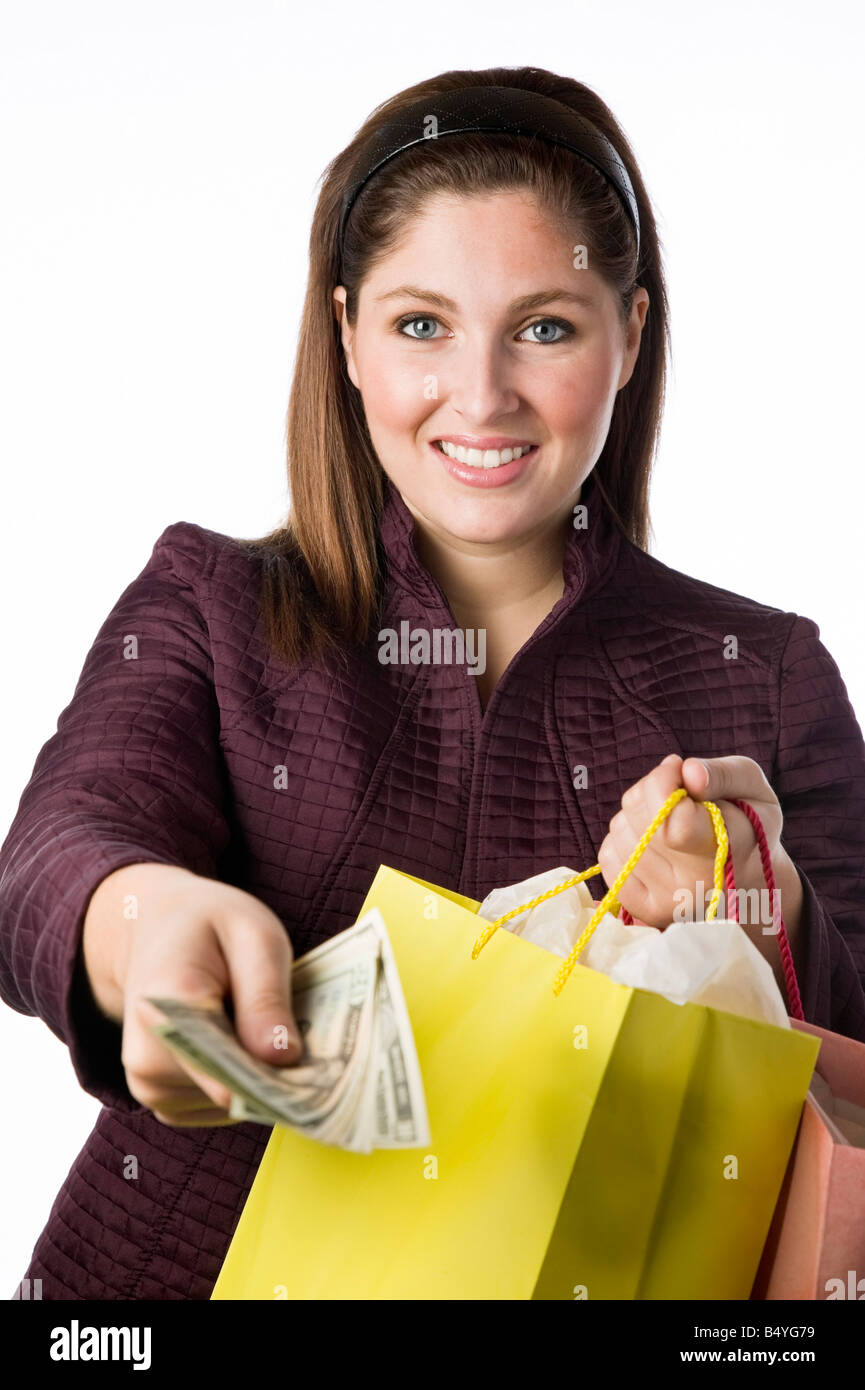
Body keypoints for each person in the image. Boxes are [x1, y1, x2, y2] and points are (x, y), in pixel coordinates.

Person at [2, 64, 864, 1303]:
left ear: (631, 333)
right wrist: (138, 922)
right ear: (346, 333)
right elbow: (62, 839)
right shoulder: (208, 601)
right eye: (420, 325)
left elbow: (853, 1059)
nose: (480, 394)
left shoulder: (769, 678)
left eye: (546, 326)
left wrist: (756, 909)